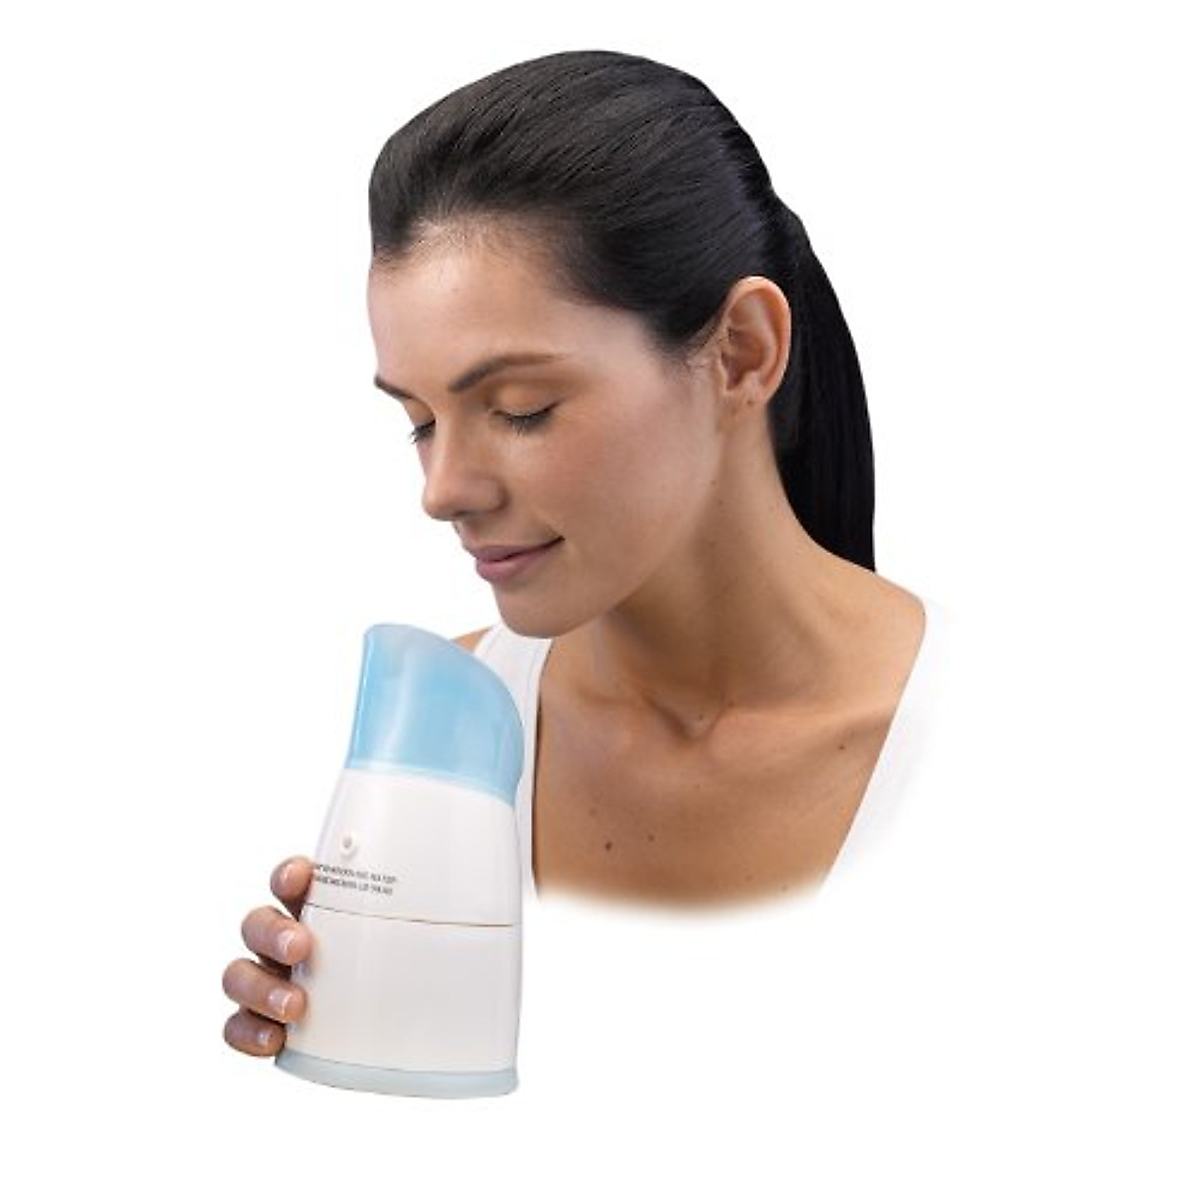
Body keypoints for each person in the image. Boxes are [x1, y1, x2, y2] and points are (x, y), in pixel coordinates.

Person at [223, 48, 943, 1059]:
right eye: (419, 421)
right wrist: (341, 1025)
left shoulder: (999, 744)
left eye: (520, 408)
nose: (443, 491)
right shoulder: (462, 723)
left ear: (742, 351)